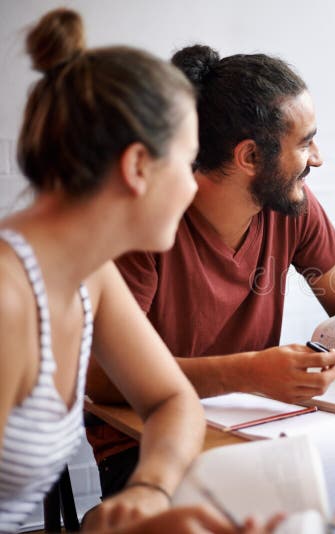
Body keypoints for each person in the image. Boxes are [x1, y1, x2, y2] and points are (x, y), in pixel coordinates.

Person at [85, 44, 335, 497]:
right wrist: (249, 372)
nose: (318, 158)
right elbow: (101, 380)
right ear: (250, 156)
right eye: (305, 142)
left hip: (262, 429)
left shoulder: (293, 208)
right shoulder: (148, 226)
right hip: (144, 446)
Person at [0, 8, 279, 534]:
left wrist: (149, 493)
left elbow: (170, 398)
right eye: (188, 161)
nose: (195, 186)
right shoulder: (7, 301)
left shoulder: (90, 276)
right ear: (136, 167)